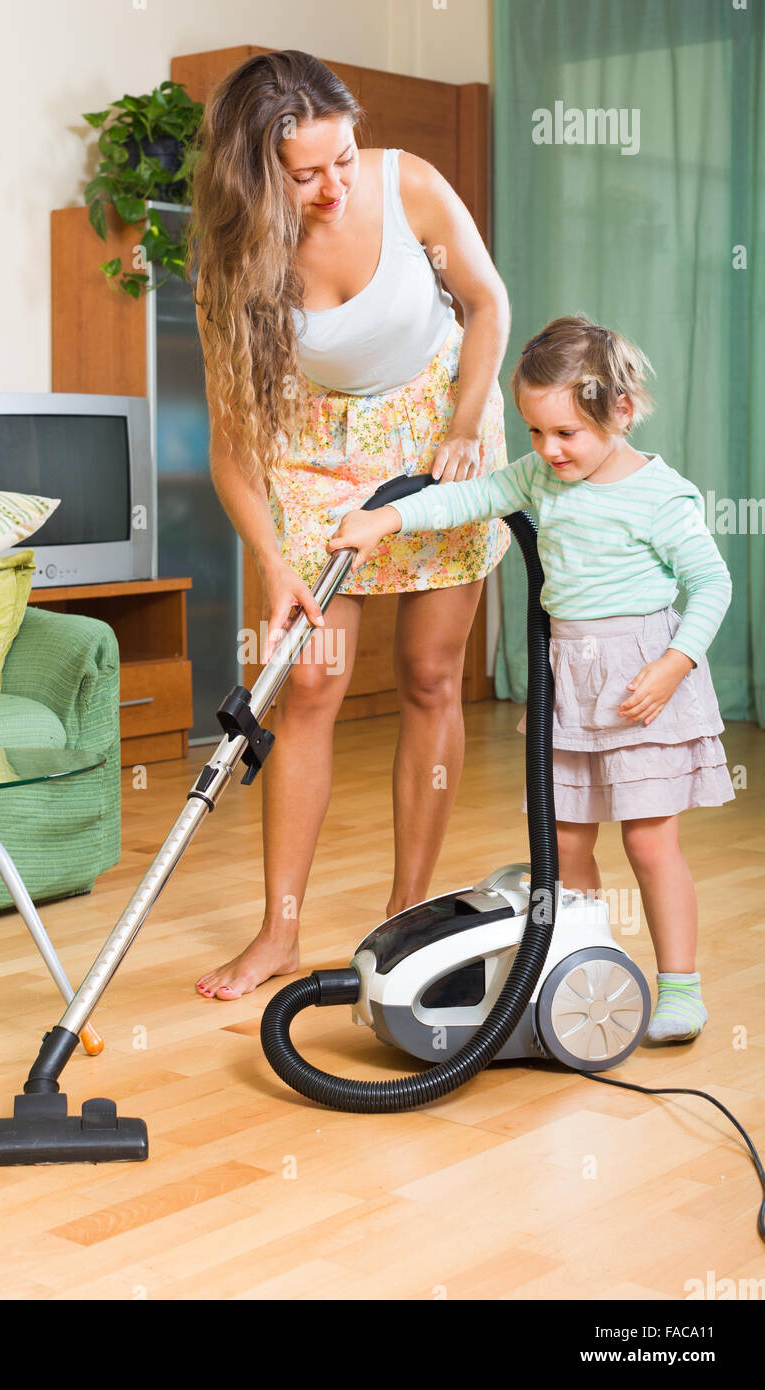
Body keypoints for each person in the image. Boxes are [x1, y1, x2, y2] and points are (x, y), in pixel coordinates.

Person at [185, 50, 512, 999]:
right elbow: (232, 449)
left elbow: (486, 304)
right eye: (305, 173)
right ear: (257, 174)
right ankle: (278, 932)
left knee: (428, 675)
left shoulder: (405, 184)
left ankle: (405, 919)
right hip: (312, 445)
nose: (333, 186)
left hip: (437, 427)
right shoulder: (235, 260)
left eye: (343, 158)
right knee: (310, 686)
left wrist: (459, 427)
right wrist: (275, 561)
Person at [329, 314, 734, 1043]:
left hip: (644, 682)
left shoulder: (661, 495)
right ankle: (578, 968)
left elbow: (710, 586)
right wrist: (381, 520)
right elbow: (465, 499)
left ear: (621, 410)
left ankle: (679, 986)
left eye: (565, 434)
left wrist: (675, 663)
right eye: (534, 432)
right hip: (567, 687)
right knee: (565, 848)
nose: (548, 450)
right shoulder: (538, 477)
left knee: (647, 842)